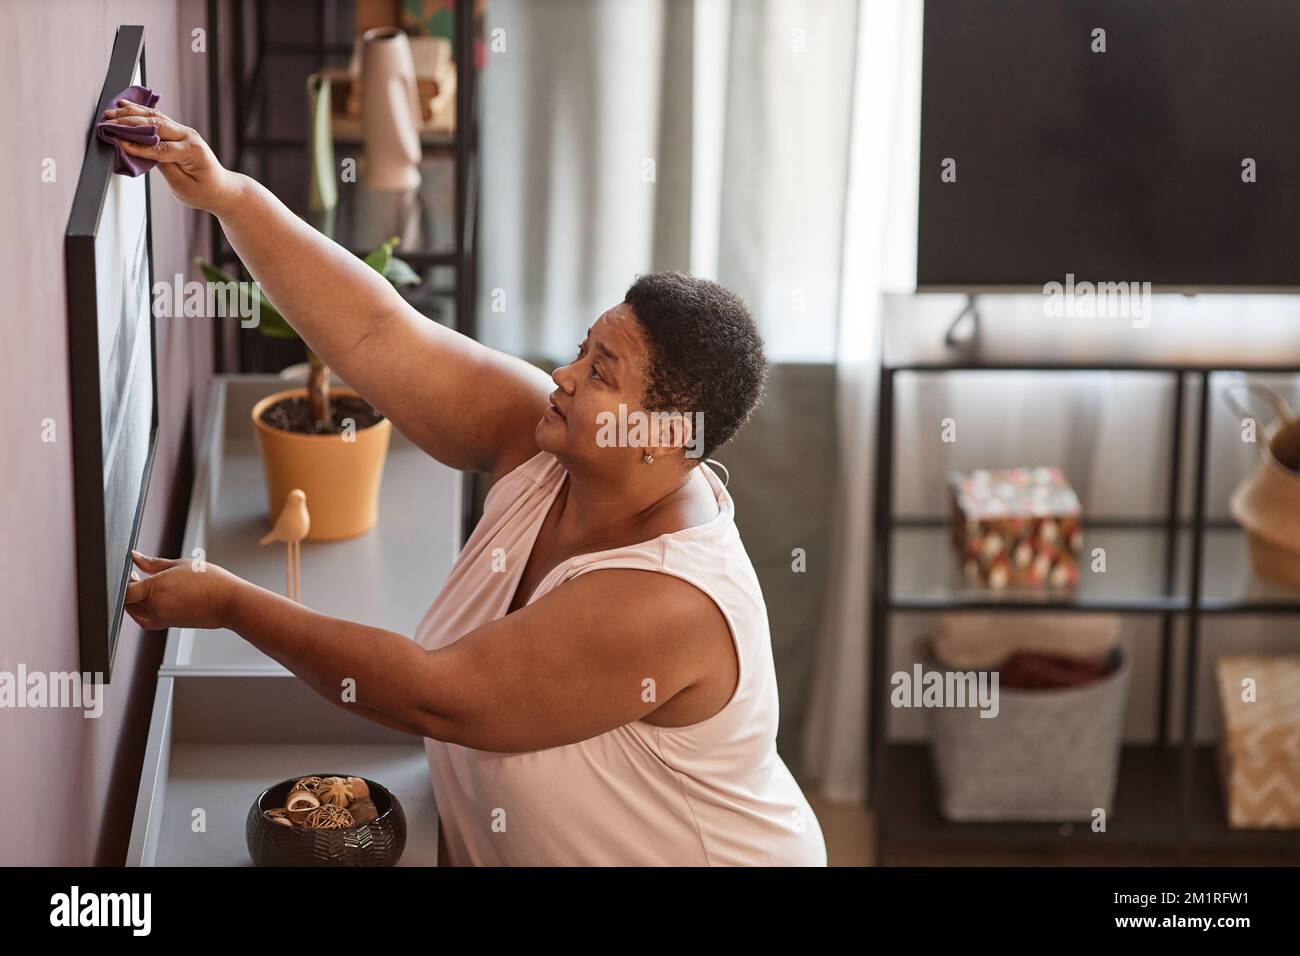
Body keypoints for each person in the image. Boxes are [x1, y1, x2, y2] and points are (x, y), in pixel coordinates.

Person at [115, 99, 827, 866]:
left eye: (599, 373)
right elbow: (377, 333)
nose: (563, 374)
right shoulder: (546, 439)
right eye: (584, 349)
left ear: (661, 435)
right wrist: (230, 195)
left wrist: (226, 601)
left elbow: (436, 693)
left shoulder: (667, 602)